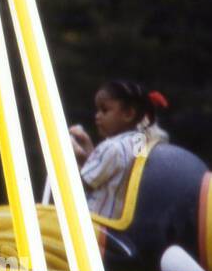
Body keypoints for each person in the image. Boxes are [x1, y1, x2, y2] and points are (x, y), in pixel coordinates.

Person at [69, 79, 169, 219]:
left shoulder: (111, 147)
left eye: (104, 110)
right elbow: (111, 170)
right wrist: (84, 150)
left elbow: (81, 185)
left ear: (128, 114)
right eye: (97, 110)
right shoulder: (141, 142)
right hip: (118, 227)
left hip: (95, 224)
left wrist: (66, 156)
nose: (97, 116)